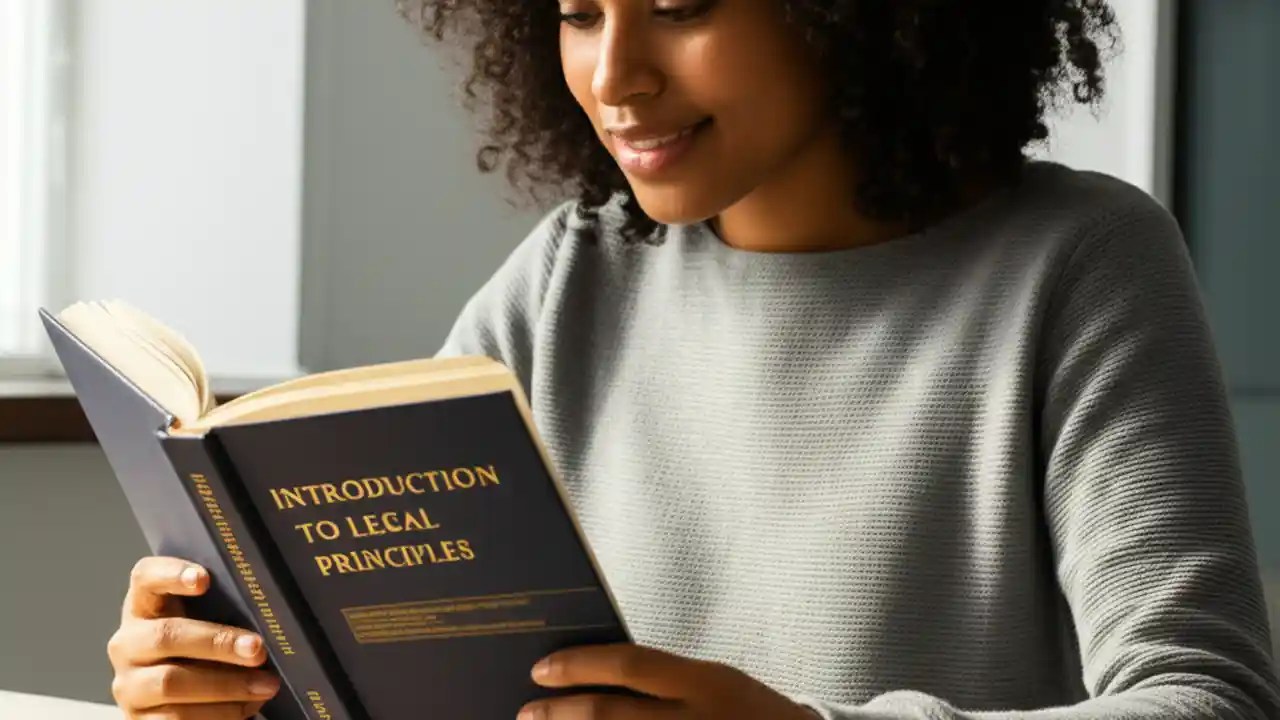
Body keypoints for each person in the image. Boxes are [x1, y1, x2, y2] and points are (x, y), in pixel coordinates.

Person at [106, 0, 1280, 718]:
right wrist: (244, 684)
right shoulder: (569, 274)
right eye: (576, 12)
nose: (613, 78)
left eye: (679, 2)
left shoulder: (1079, 263)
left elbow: (1202, 700)